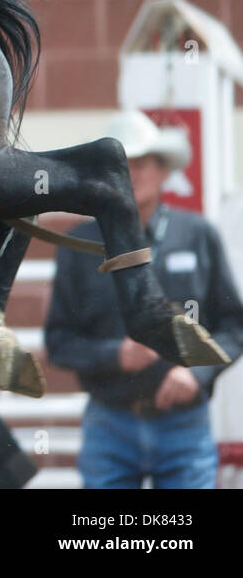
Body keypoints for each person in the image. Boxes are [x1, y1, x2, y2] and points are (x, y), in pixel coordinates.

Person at [45, 110, 243, 489]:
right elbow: (59, 342)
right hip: (110, 420)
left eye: (140, 163)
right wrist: (113, 354)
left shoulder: (198, 235)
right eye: (121, 166)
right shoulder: (78, 245)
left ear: (163, 170)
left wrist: (196, 373)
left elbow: (235, 325)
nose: (132, 175)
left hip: (185, 423)